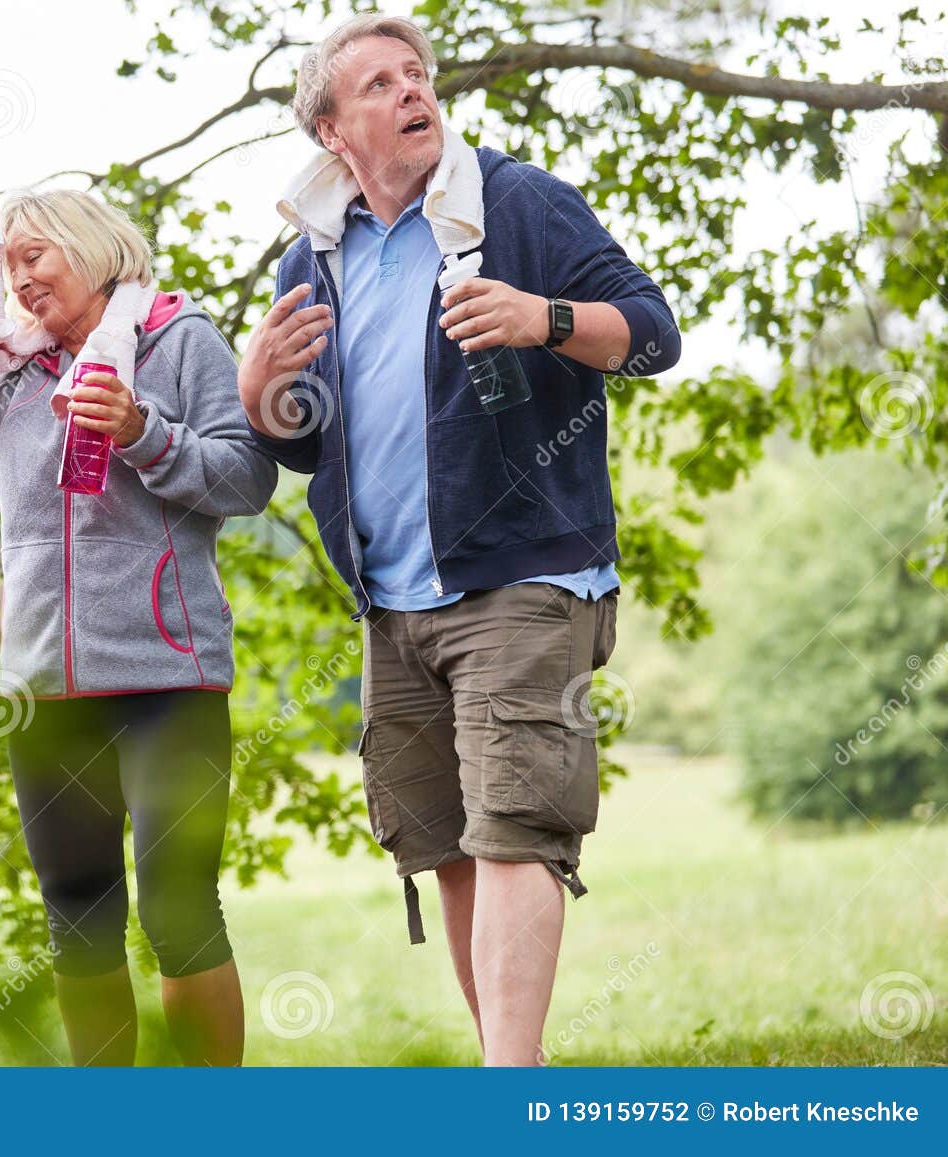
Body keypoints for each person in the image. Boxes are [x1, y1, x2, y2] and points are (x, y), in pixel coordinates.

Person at [238, 14, 681, 1065]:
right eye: (380, 85)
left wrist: (543, 318)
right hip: (391, 601)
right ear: (330, 128)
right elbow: (308, 449)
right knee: (442, 843)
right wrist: (260, 397)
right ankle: (509, 1087)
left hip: (522, 576)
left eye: (416, 75)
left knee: (516, 825)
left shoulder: (515, 202)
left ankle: (505, 1091)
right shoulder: (314, 256)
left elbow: (653, 333)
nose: (410, 93)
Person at [0, 189, 277, 1065]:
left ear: (92, 246)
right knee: (77, 913)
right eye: (7, 263)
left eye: (36, 256)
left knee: (179, 906)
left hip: (166, 680)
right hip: (45, 690)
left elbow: (247, 479)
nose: (20, 278)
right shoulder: (8, 364)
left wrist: (145, 432)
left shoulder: (180, 340)